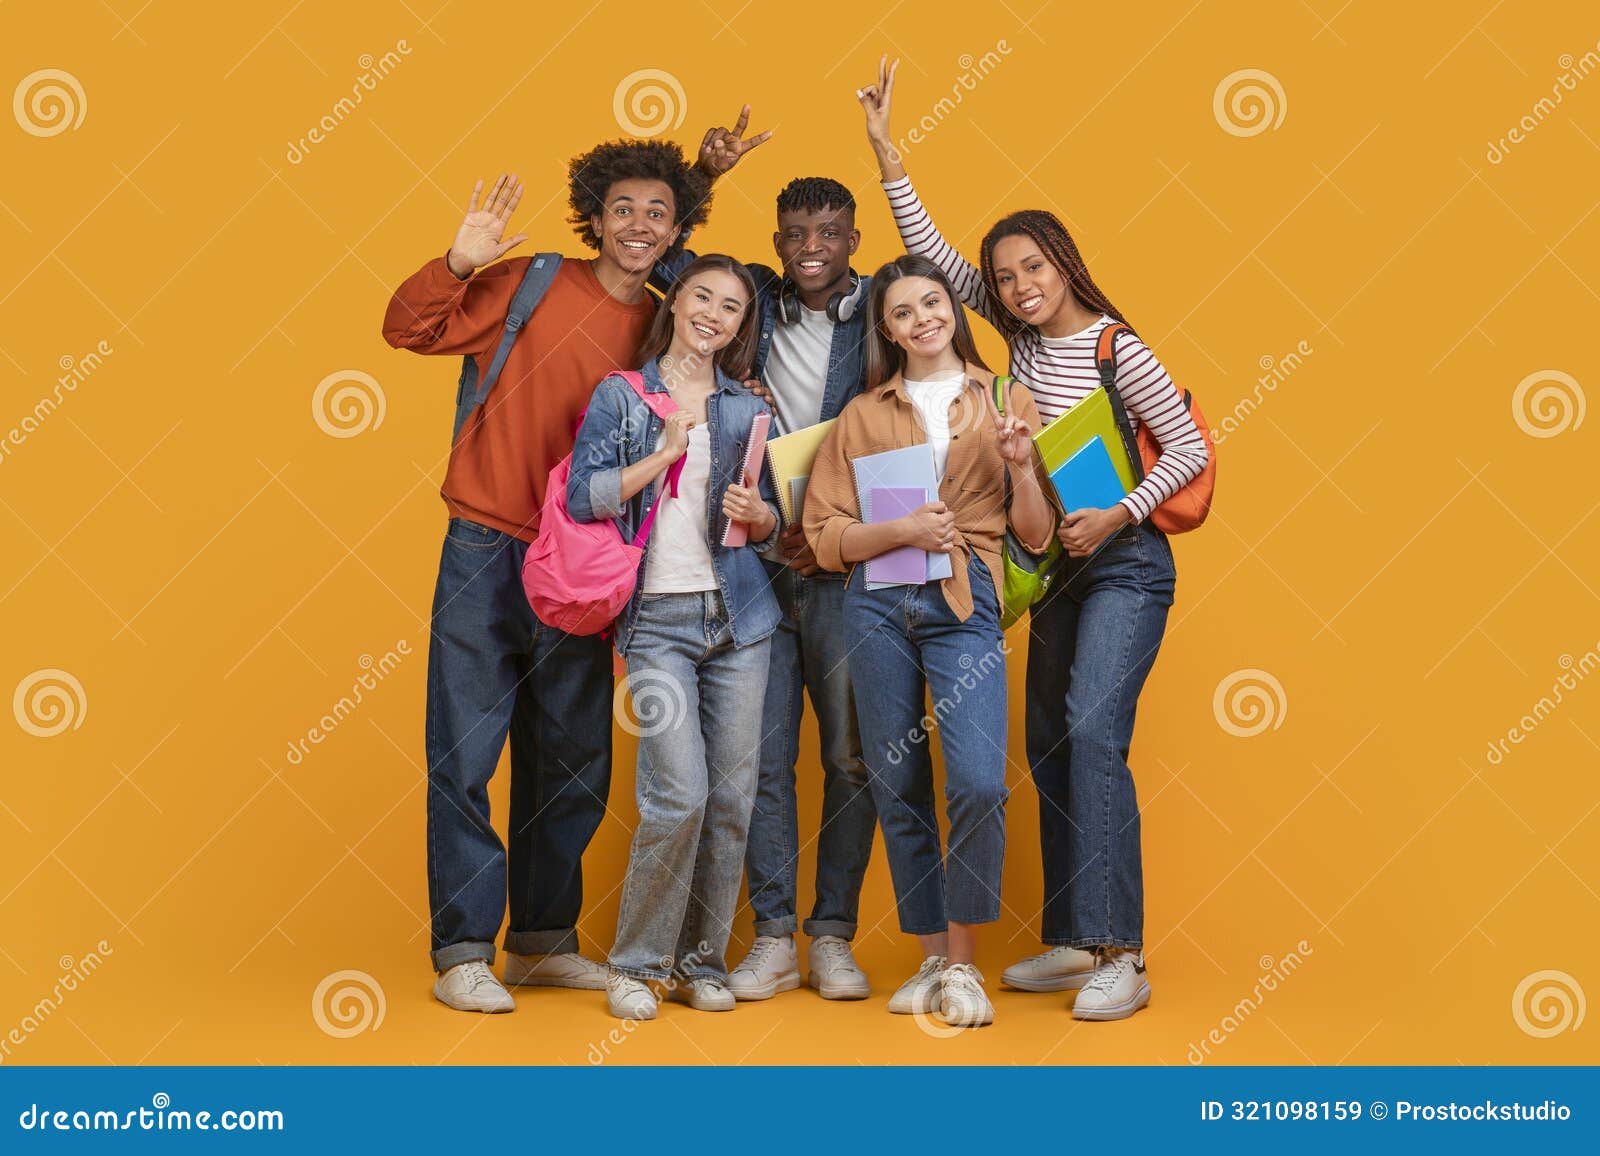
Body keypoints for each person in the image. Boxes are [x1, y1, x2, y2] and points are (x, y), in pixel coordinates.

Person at [859, 57, 1210, 1020]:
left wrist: (1125, 512)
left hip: (1125, 566)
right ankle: (1069, 934)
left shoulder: (1113, 347)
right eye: (1006, 278)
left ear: (1066, 265)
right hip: (1051, 566)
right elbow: (927, 256)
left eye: (1035, 271)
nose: (1018, 288)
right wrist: (890, 155)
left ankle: (1120, 953)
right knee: (1049, 739)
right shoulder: (1013, 343)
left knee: (1095, 731)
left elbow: (1184, 447)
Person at [381, 133, 722, 1014]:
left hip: (587, 556)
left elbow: (702, 302)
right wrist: (459, 260)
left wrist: (706, 185)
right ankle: (463, 947)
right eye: (624, 210)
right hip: (487, 543)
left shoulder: (659, 321)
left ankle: (541, 940)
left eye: (658, 213)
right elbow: (406, 328)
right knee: (464, 748)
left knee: (571, 753)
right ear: (593, 217)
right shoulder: (528, 282)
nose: (639, 227)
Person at [804, 254, 1055, 1028]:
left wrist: (1019, 467)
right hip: (875, 604)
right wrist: (899, 530)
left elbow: (1038, 536)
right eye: (904, 311)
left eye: (932, 302)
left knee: (978, 780)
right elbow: (821, 536)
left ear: (953, 308)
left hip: (965, 594)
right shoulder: (862, 413)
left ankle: (965, 967)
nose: (923, 319)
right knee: (895, 779)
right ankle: (931, 960)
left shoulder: (1008, 397)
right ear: (886, 328)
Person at [654, 163, 880, 1001]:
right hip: (750, 562)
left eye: (828, 235)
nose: (810, 250)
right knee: (759, 761)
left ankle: (831, 935)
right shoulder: (752, 296)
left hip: (838, 562)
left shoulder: (882, 315)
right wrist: (703, 176)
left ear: (854, 241)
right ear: (776, 242)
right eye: (794, 236)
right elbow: (665, 264)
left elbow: (926, 375)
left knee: (851, 755)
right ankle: (774, 936)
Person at [567, 255, 782, 1021]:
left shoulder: (747, 406)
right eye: (704, 296)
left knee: (730, 801)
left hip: (741, 620)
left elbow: (778, 521)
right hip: (656, 623)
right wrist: (662, 452)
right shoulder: (623, 398)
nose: (715, 314)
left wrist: (762, 518)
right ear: (677, 301)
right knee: (677, 795)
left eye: (732, 306)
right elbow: (584, 495)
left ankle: (702, 963)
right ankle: (636, 963)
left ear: (739, 325)